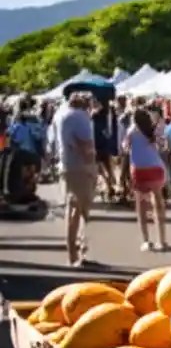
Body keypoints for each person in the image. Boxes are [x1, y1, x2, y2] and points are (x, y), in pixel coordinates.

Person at [55, 93, 97, 265]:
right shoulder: (80, 118)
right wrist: (92, 167)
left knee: (72, 209)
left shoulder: (60, 115)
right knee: (80, 211)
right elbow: (85, 145)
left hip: (66, 165)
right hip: (80, 167)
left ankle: (74, 252)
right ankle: (78, 254)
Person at [124, 109, 169, 251]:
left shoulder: (131, 131)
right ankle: (162, 240)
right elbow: (164, 146)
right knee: (158, 203)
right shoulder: (153, 131)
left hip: (138, 169)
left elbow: (125, 148)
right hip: (155, 168)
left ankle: (146, 240)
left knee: (141, 206)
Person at [91, 97, 120, 201]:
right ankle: (109, 186)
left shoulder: (94, 118)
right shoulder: (107, 118)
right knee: (108, 167)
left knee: (99, 169)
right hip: (105, 145)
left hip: (96, 146)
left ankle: (106, 185)